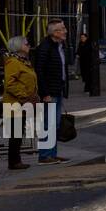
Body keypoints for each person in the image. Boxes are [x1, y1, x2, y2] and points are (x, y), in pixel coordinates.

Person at [32, 19, 70, 164]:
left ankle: (52, 154)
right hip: (50, 92)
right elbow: (39, 71)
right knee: (48, 123)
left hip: (57, 90)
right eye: (63, 28)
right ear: (55, 32)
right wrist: (45, 93)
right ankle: (44, 155)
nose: (65, 31)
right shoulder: (45, 47)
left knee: (55, 124)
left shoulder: (59, 46)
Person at [2, 36, 39, 171]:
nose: (29, 45)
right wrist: (25, 96)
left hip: (23, 103)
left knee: (19, 132)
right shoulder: (12, 62)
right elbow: (10, 84)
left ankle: (16, 160)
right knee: (15, 133)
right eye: (26, 43)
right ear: (18, 47)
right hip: (14, 103)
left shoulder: (24, 62)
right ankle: (14, 162)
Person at [77, 31, 100, 97]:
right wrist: (78, 54)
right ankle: (88, 87)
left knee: (88, 76)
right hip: (83, 63)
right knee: (85, 75)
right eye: (81, 37)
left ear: (86, 38)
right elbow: (79, 51)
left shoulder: (89, 44)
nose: (82, 39)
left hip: (88, 62)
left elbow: (88, 52)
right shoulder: (80, 43)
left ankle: (87, 88)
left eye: (83, 37)